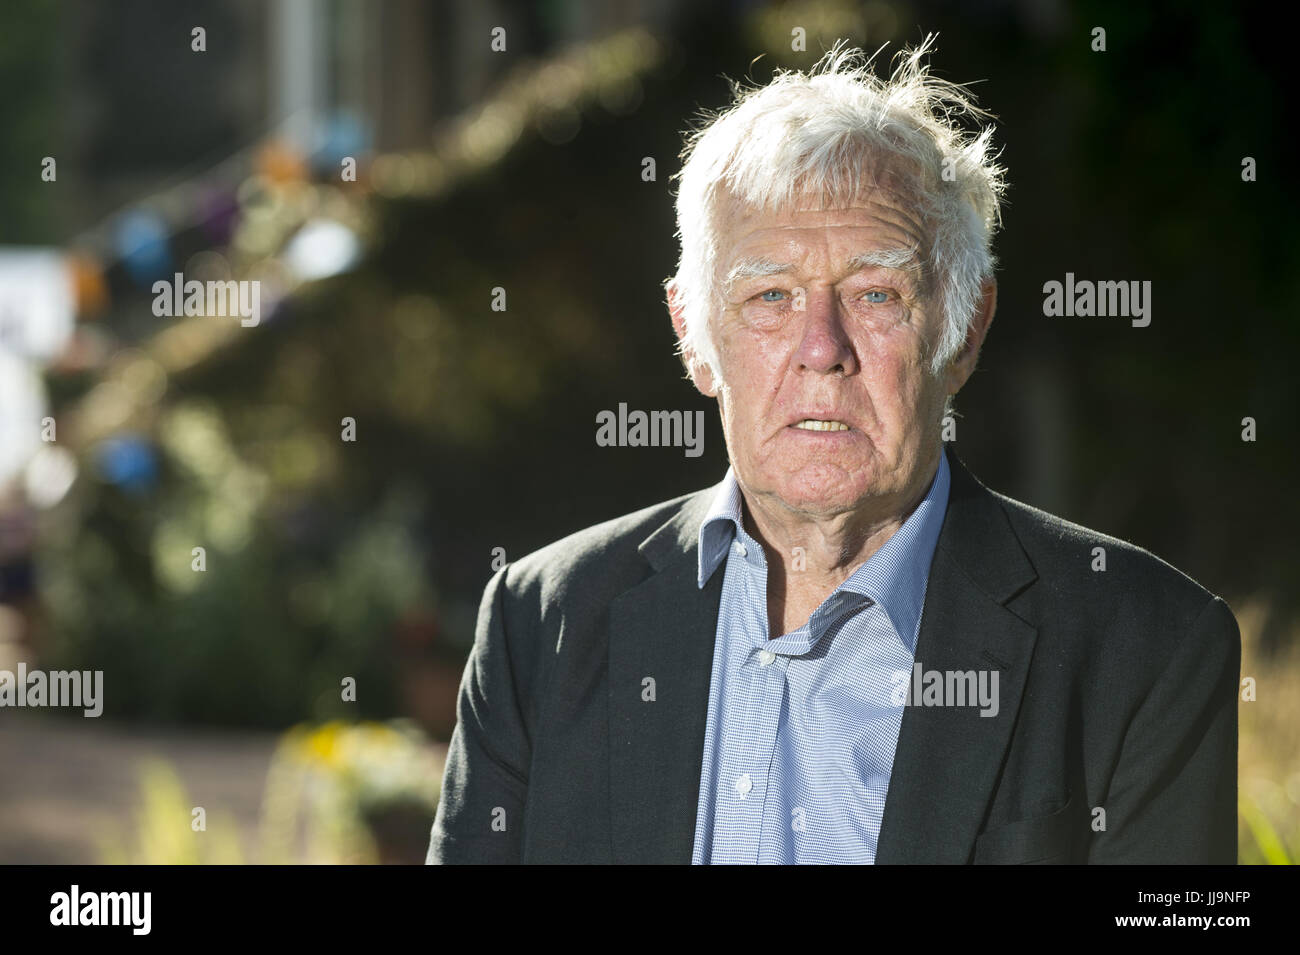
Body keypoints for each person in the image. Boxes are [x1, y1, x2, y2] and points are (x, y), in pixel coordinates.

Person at [427, 38, 1239, 864]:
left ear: (965, 330)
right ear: (693, 337)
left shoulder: (1148, 648)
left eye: (876, 294)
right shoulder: (541, 626)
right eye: (770, 295)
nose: (822, 348)